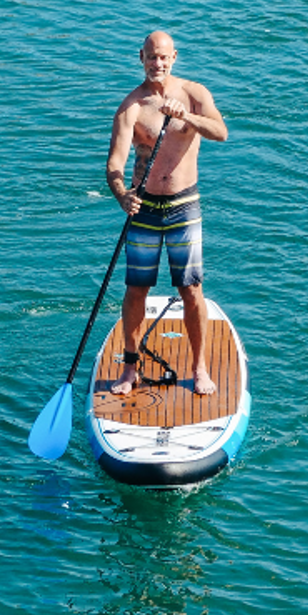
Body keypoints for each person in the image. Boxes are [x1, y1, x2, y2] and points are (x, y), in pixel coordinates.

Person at [105, 30, 228, 396]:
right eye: (150, 57)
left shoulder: (194, 94)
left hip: (183, 207)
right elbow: (115, 162)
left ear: (174, 57)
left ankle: (200, 367)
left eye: (163, 57)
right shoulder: (131, 107)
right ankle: (130, 368)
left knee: (190, 289)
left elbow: (221, 132)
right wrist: (121, 194)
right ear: (140, 57)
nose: (157, 64)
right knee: (136, 289)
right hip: (143, 208)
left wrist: (189, 119)